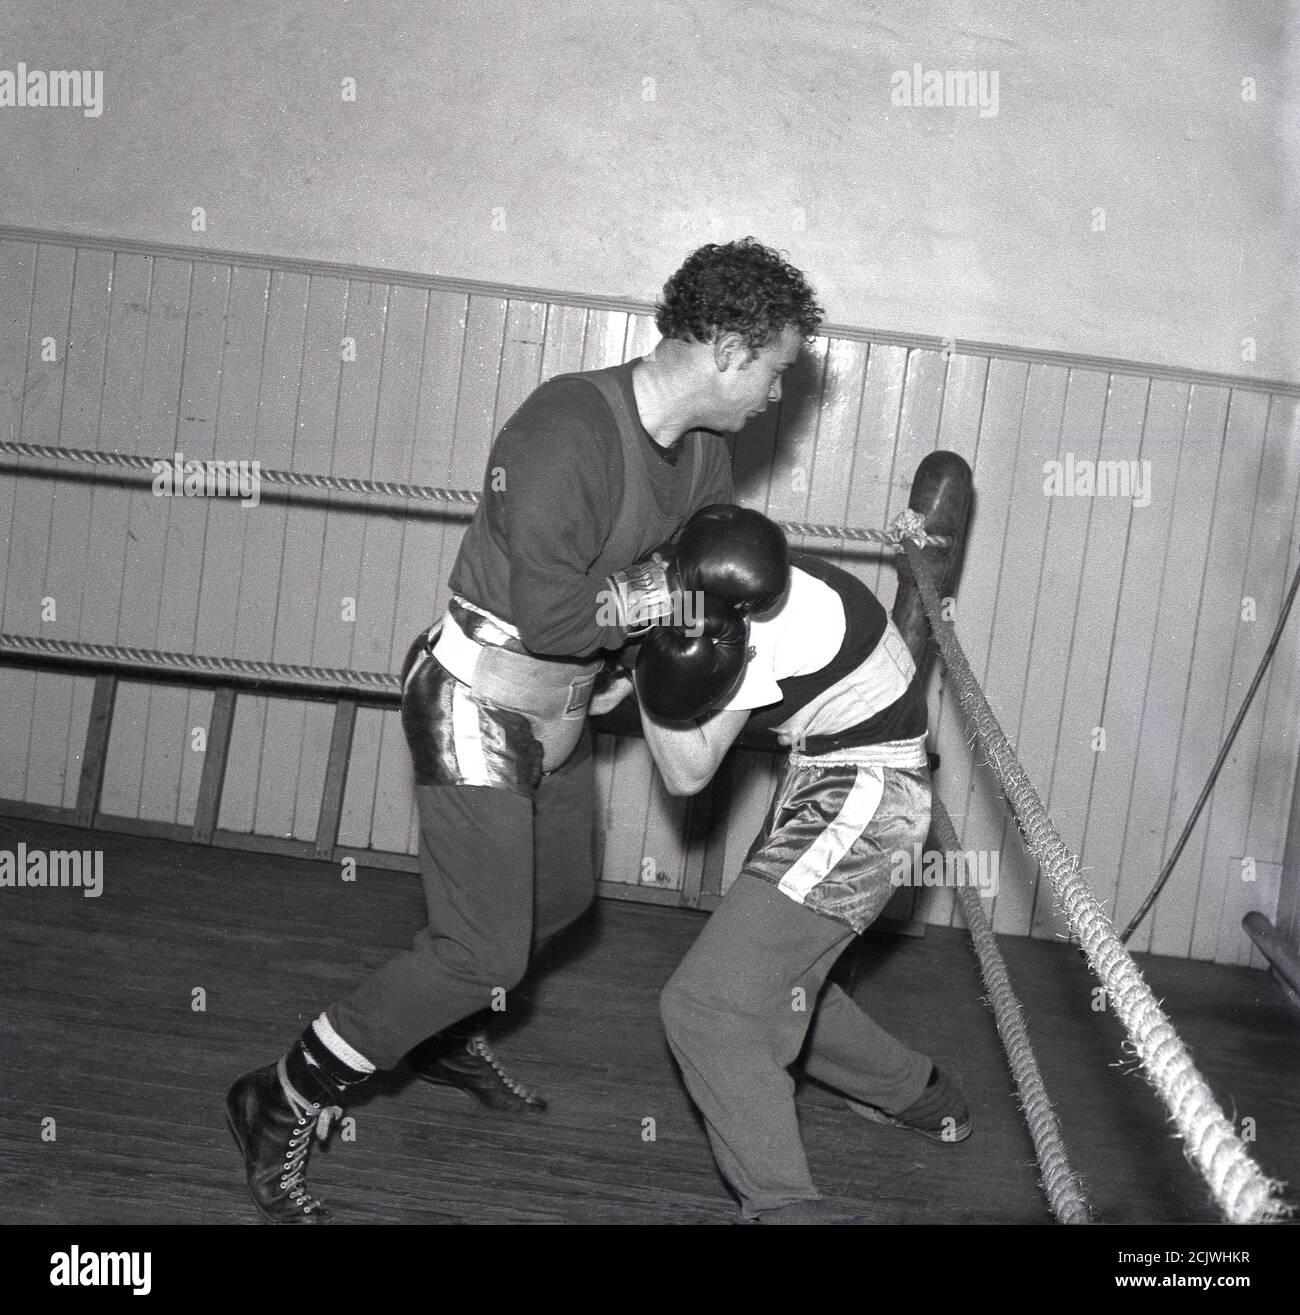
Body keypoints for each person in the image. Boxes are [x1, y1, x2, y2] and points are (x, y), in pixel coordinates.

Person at [225, 240, 824, 1223]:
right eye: (772, 368)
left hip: (565, 704)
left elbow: (671, 608)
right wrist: (677, 593)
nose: (776, 392)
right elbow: (553, 614)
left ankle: (437, 1019)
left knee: (561, 904)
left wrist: (659, 660)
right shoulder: (565, 428)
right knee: (482, 954)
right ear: (725, 347)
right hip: (474, 700)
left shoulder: (708, 455)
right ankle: (283, 1093)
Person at [628, 506, 972, 1225]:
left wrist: (644, 666)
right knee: (775, 983)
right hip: (825, 774)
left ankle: (785, 1209)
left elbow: (687, 771)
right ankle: (922, 1094)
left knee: (707, 1007)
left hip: (866, 797)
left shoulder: (757, 633)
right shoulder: (700, 578)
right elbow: (614, 606)